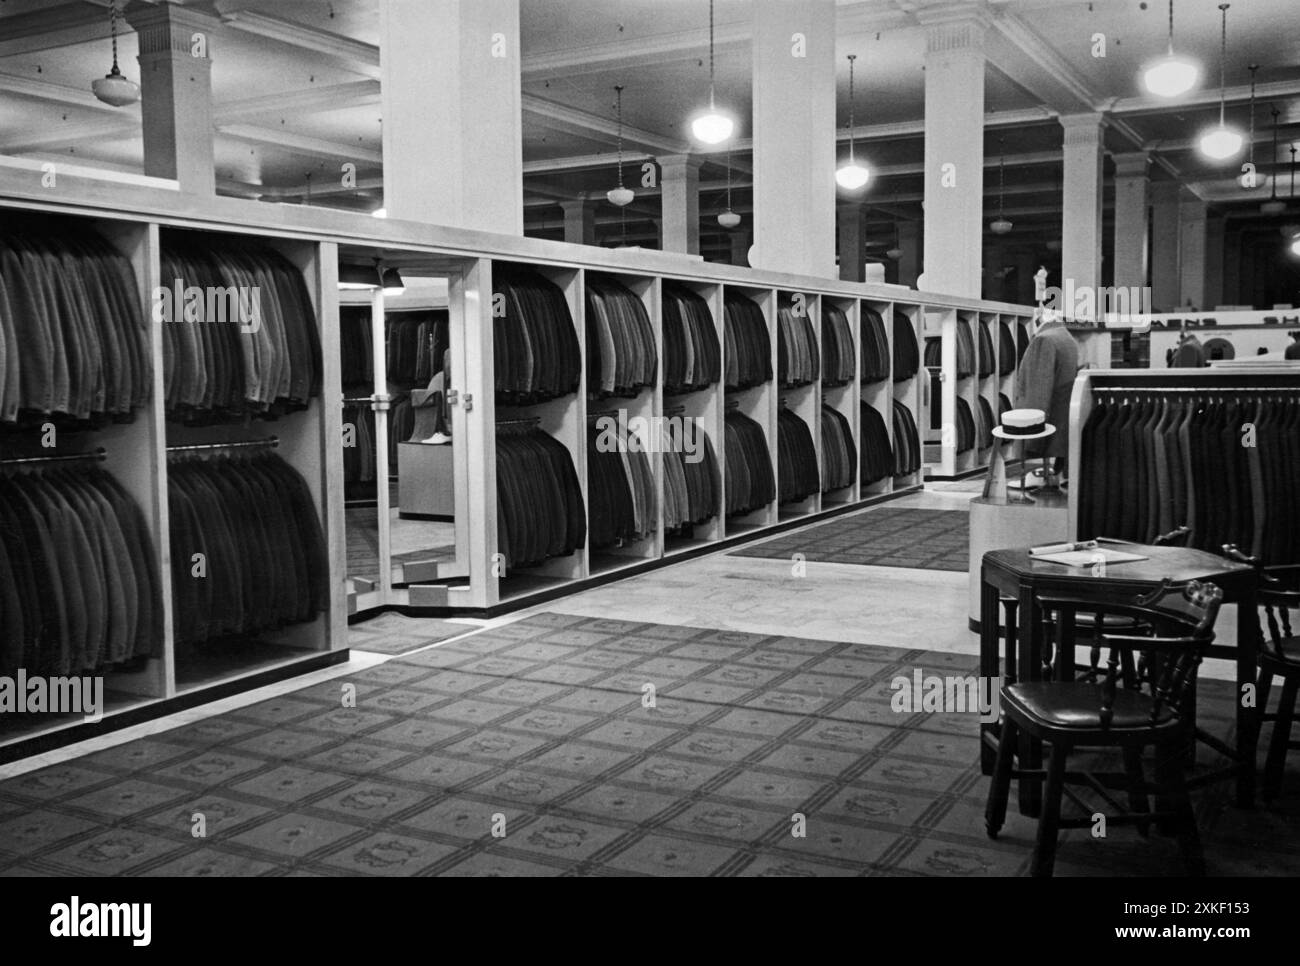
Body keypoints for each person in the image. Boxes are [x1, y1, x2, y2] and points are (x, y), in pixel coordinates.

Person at [1014, 308, 1078, 478]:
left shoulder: (1044, 340)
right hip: (1061, 416)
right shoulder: (1066, 337)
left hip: (1047, 417)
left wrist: (1031, 436)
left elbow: (1038, 390)